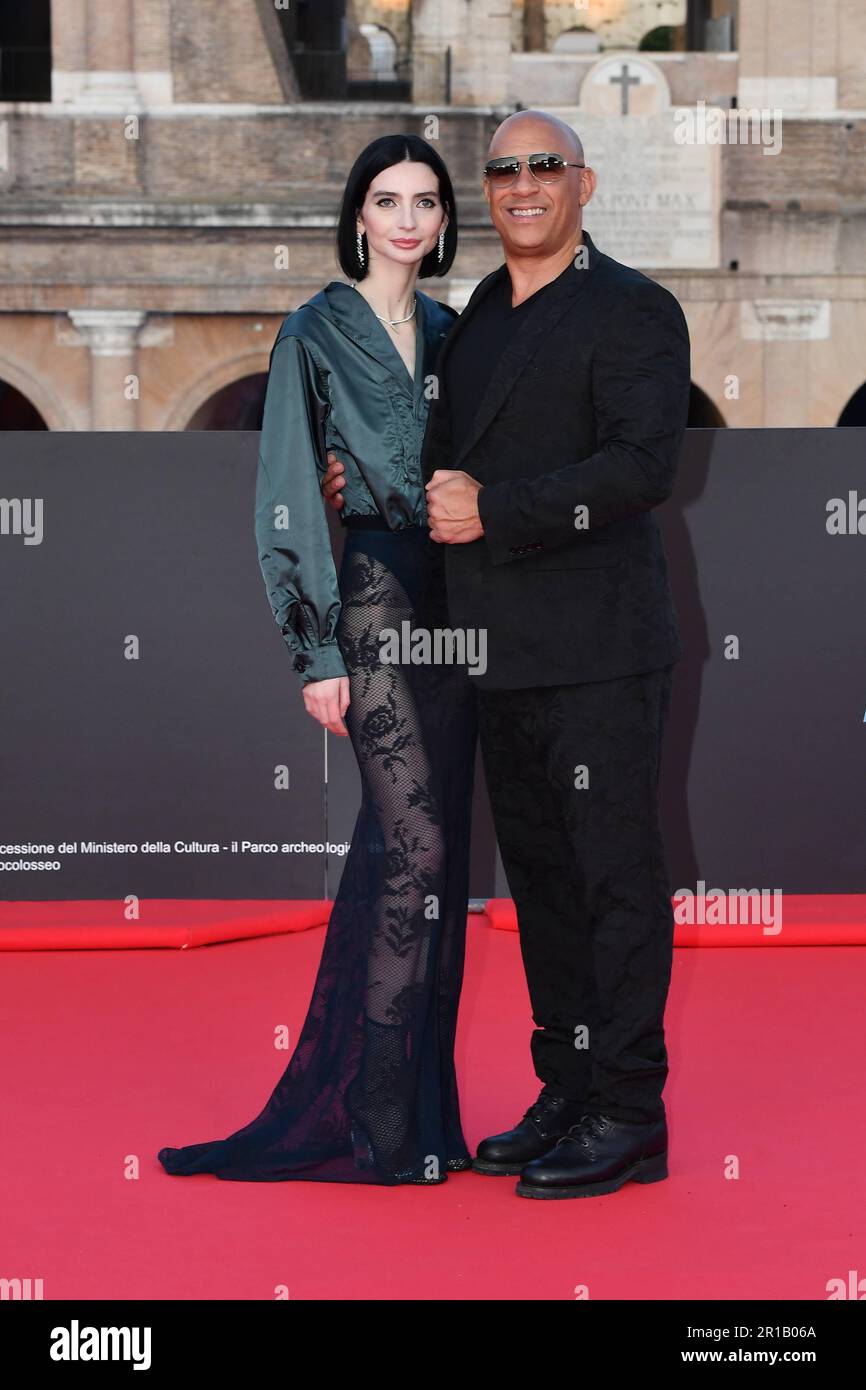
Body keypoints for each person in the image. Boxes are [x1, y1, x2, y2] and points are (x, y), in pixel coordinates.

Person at [322, 109, 691, 1199]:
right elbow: (439, 470)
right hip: (496, 654)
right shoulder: (476, 311)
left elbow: (640, 467)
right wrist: (372, 491)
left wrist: (500, 510)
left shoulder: (634, 310)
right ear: (485, 191)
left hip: (599, 650)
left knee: (612, 877)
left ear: (582, 183)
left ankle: (628, 1110)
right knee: (538, 882)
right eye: (502, 170)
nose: (522, 184)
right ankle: (567, 1086)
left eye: (543, 166)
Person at [157, 134, 478, 1185]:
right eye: (386, 198)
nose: (404, 218)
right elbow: (288, 493)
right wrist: (312, 649)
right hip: (374, 596)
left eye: (424, 202)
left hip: (459, 603)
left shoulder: (454, 331)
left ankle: (415, 1118)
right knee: (417, 848)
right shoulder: (312, 332)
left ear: (441, 224)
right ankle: (377, 1119)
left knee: (422, 862)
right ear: (356, 213)